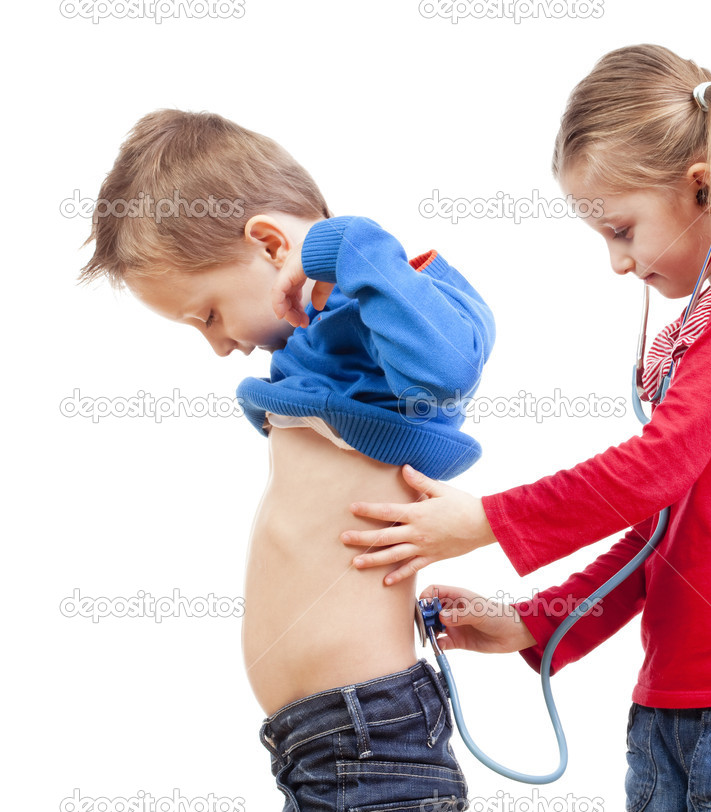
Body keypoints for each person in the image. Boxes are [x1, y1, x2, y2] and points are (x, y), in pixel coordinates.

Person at [332, 45, 711, 810]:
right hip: (676, 710)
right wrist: (535, 624)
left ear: (702, 189)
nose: (618, 263)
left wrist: (482, 520)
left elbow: (656, 466)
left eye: (621, 230)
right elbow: (663, 527)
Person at [77, 109, 495, 812]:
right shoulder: (316, 349)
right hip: (316, 743)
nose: (217, 345)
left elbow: (447, 368)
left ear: (271, 242)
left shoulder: (393, 307)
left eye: (207, 313)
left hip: (375, 741)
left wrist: (347, 242)